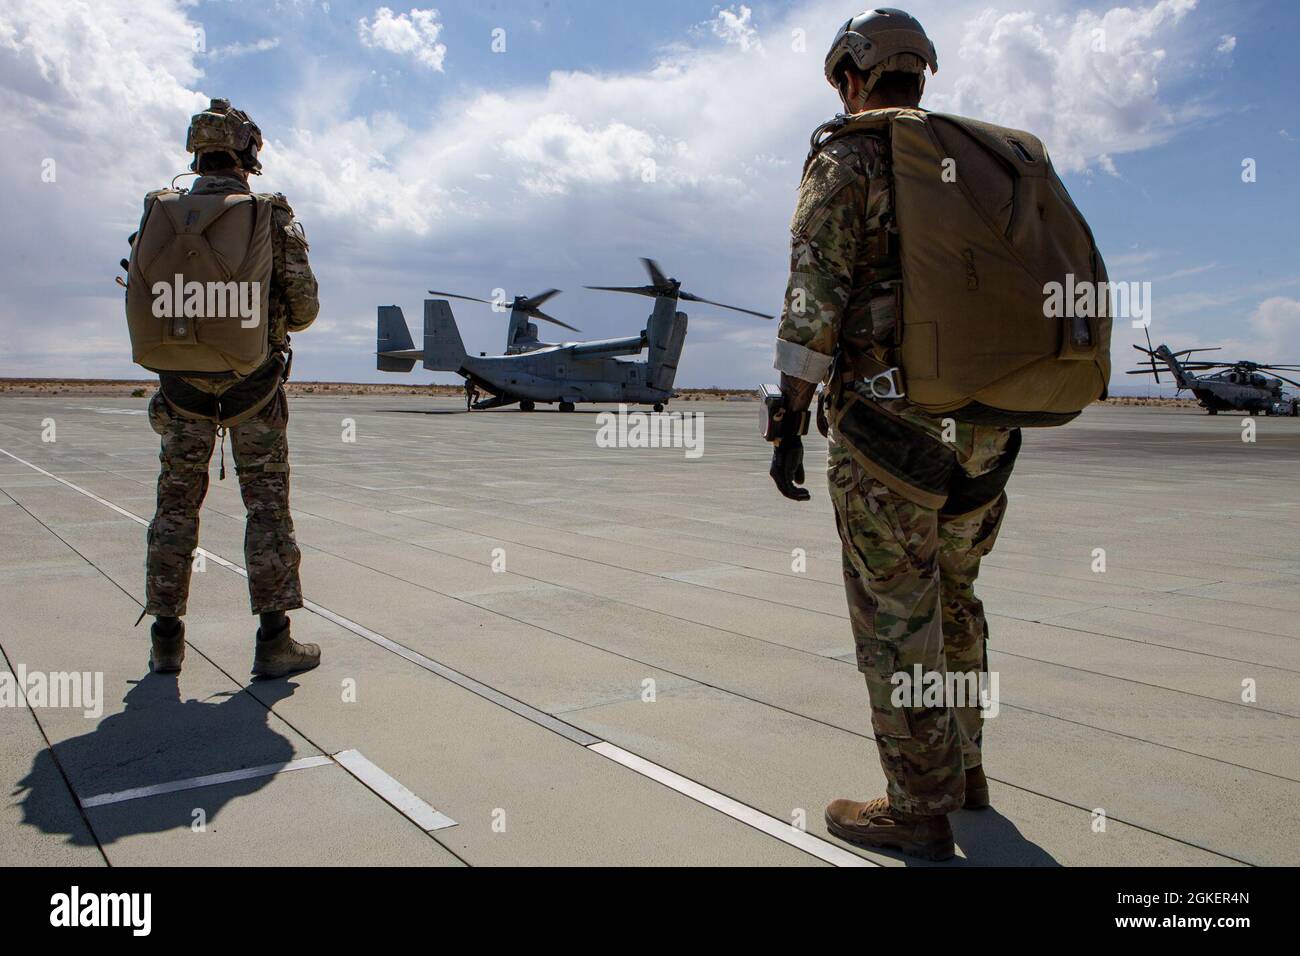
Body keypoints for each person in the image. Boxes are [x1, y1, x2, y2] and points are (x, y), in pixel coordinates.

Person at [767, 9, 1019, 861]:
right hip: (987, 435)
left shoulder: (851, 155)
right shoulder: (976, 165)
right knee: (958, 599)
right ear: (923, 76)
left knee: (897, 619)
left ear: (850, 74)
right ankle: (969, 770)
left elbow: (816, 284)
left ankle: (918, 807)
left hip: (891, 434)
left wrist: (788, 410)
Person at [135, 98, 322, 679]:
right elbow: (305, 307)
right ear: (248, 151)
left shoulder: (163, 212)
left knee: (173, 508)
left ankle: (166, 640)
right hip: (254, 389)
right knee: (266, 510)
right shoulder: (267, 214)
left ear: (197, 151)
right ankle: (274, 642)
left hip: (180, 388)